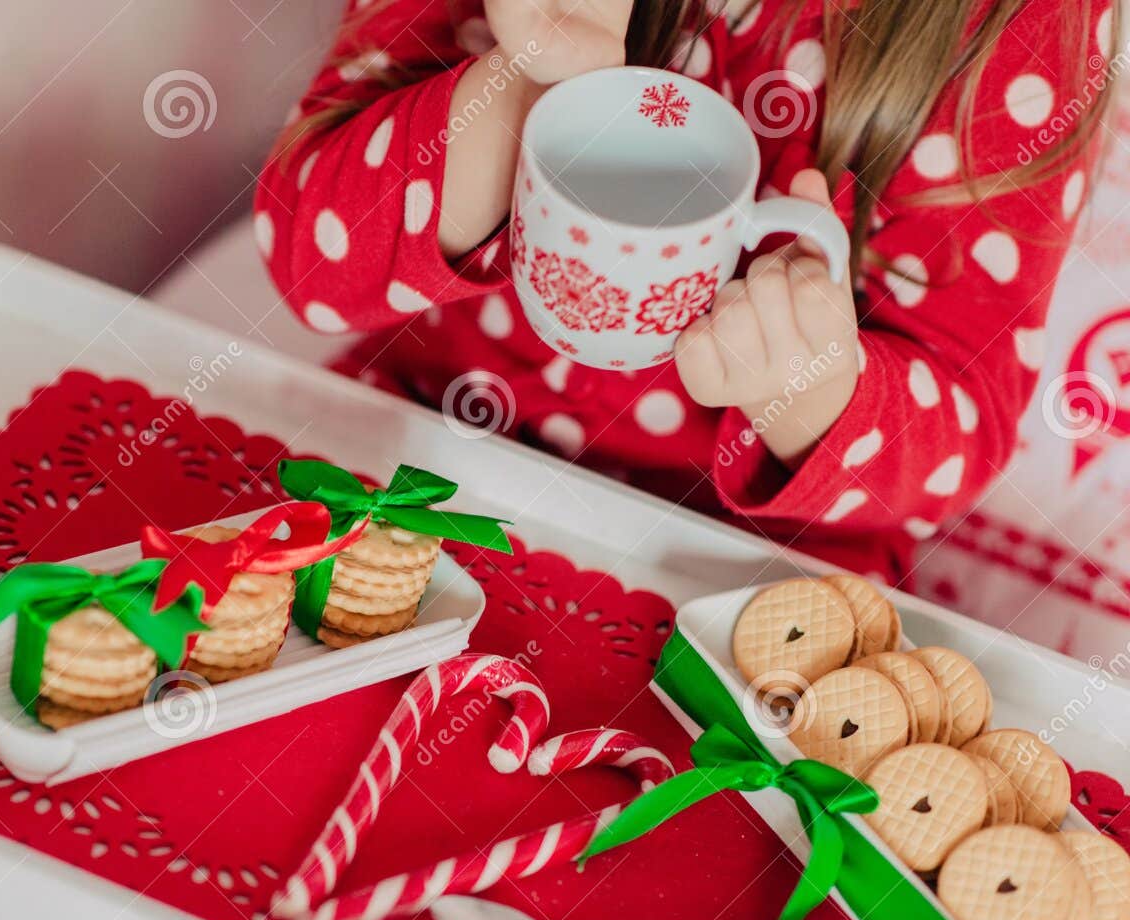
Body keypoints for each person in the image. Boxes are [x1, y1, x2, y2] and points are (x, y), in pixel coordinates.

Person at [256, 0, 1116, 579]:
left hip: (746, 574)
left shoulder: (1025, 26)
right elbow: (309, 260)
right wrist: (533, 74)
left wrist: (808, 388)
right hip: (420, 447)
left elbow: (959, 428)